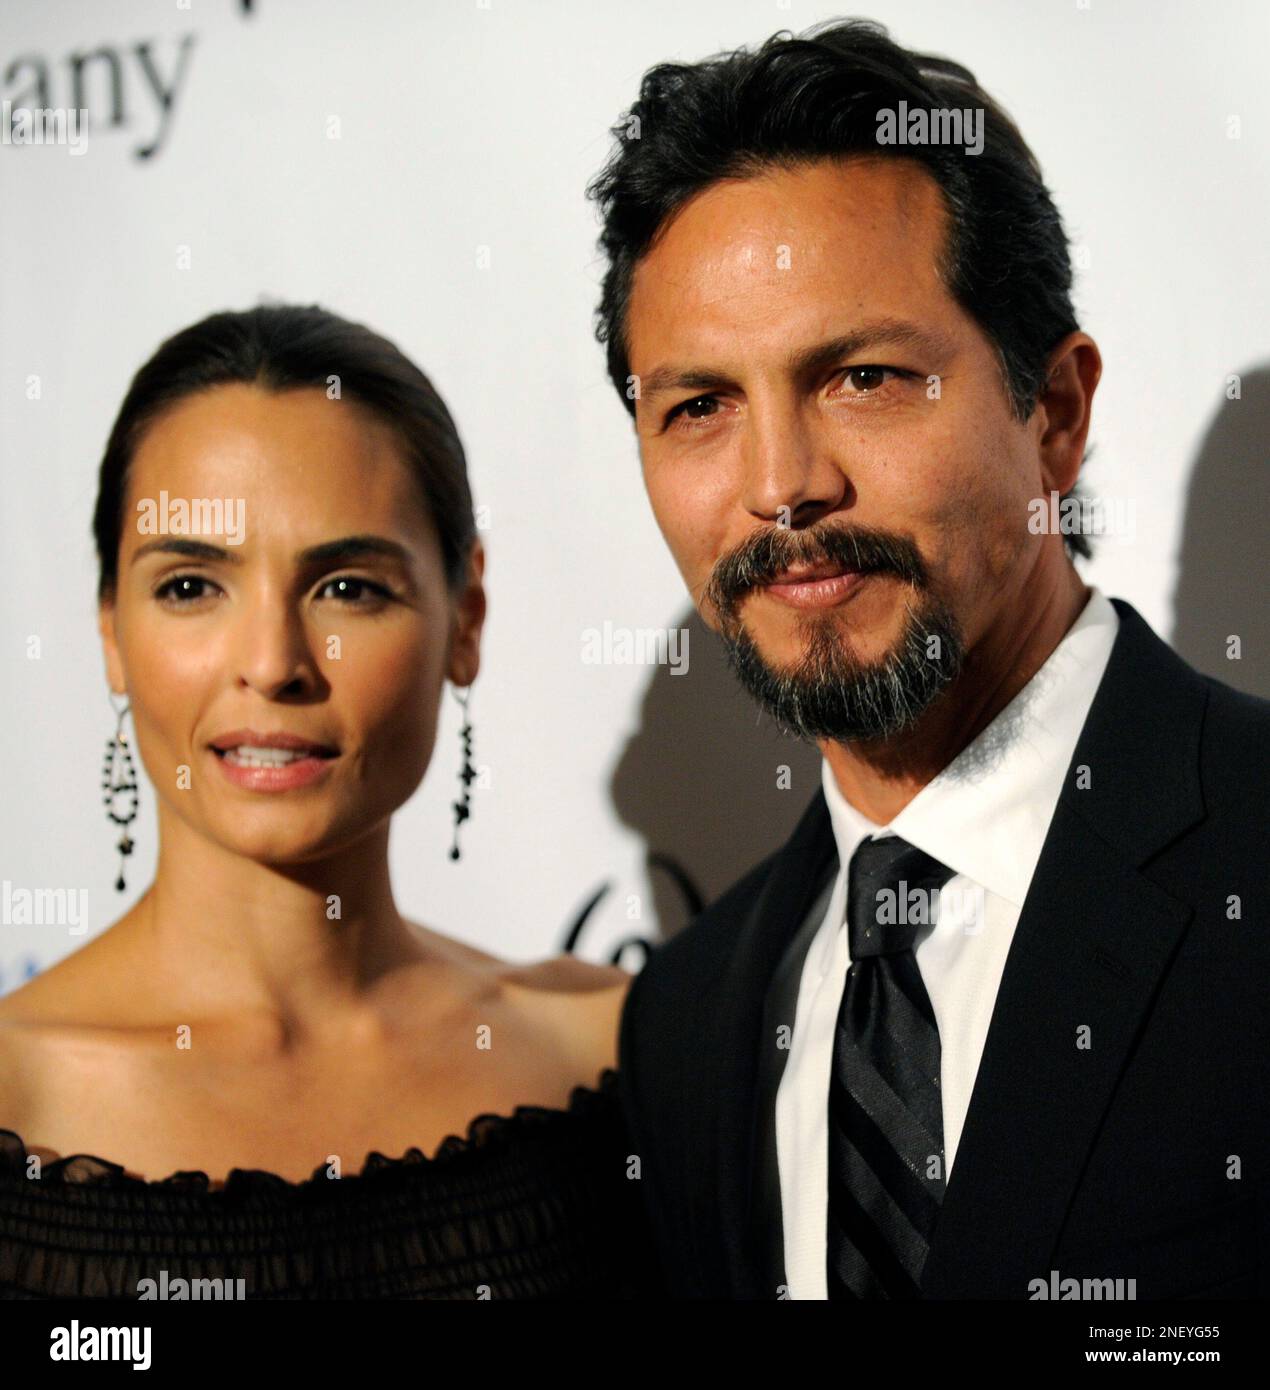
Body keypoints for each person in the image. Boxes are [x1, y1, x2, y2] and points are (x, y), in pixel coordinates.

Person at [586, 18, 1269, 1299]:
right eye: (700, 406)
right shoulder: (685, 1022)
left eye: (864, 377)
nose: (782, 485)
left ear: (1053, 412)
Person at [0, 303, 658, 1300]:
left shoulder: (614, 1057)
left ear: (464, 619)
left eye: (348, 587)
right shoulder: (17, 1094)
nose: (271, 664)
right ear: (109, 629)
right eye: (189, 586)